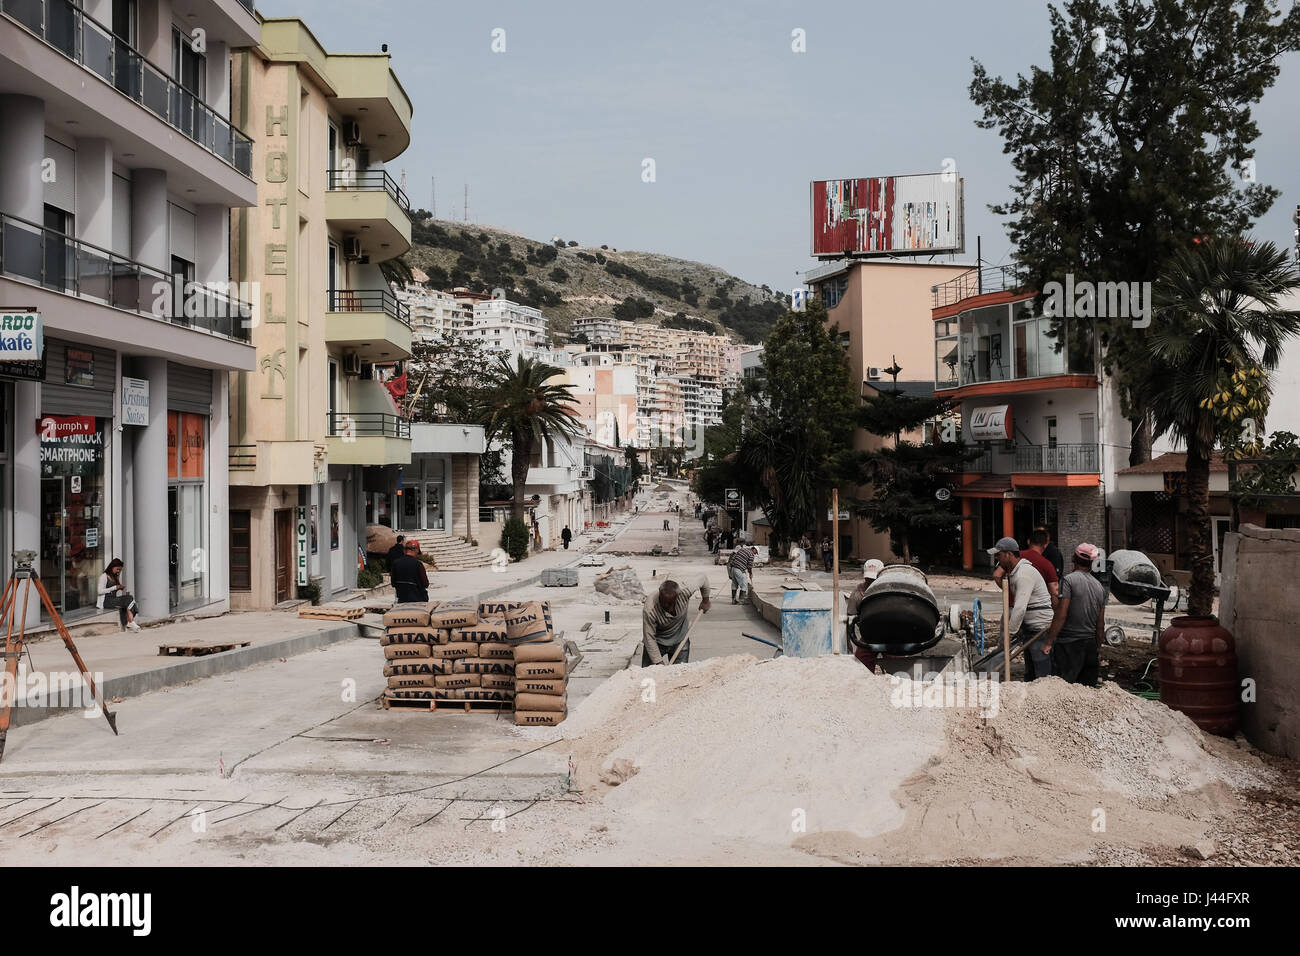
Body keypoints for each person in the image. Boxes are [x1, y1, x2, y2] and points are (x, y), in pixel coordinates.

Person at [989, 537, 1055, 680]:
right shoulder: (1014, 572)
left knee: (1041, 669)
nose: (996, 558)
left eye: (998, 554)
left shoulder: (1023, 574)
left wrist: (1009, 634)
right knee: (1031, 668)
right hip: (1030, 627)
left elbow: (1019, 608)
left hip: (1040, 628)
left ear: (1008, 554)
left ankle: (1044, 695)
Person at [1042, 543, 1107, 685]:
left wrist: (1048, 642)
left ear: (1073, 558)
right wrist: (1099, 648)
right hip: (1090, 646)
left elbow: (1061, 614)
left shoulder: (1069, 580)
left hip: (1069, 646)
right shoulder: (1100, 587)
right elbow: (1100, 624)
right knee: (1086, 690)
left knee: (1063, 689)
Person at [642, 576, 711, 665]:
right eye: (664, 603)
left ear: (678, 596)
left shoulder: (684, 591)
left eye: (671, 603)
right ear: (660, 595)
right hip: (657, 642)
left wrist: (705, 601)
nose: (668, 607)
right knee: (649, 675)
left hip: (680, 641)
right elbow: (649, 637)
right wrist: (659, 663)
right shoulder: (650, 608)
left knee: (679, 675)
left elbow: (703, 578)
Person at [846, 559, 885, 670]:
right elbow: (851, 618)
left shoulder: (889, 591)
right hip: (869, 636)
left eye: (873, 578)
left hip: (891, 635)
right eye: (868, 578)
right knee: (861, 665)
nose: (870, 581)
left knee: (898, 666)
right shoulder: (857, 594)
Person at [98, 558, 141, 632]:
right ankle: (130, 622)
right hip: (106, 601)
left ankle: (130, 622)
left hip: (113, 599)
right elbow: (99, 591)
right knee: (129, 598)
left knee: (130, 599)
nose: (118, 571)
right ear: (112, 567)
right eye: (117, 569)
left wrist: (119, 587)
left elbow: (113, 589)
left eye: (120, 570)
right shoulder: (104, 576)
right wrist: (115, 587)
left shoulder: (115, 577)